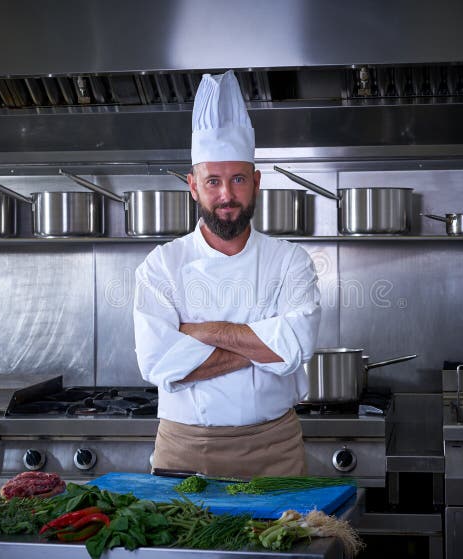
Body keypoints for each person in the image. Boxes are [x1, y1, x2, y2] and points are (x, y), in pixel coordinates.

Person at [133, 70, 321, 477]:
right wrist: (261, 345)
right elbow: (158, 365)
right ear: (193, 186)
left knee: (284, 542)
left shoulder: (290, 261)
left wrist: (201, 333)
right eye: (213, 181)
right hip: (184, 447)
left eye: (237, 179)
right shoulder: (162, 265)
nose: (226, 196)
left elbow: (296, 346)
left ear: (255, 183)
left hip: (274, 447)